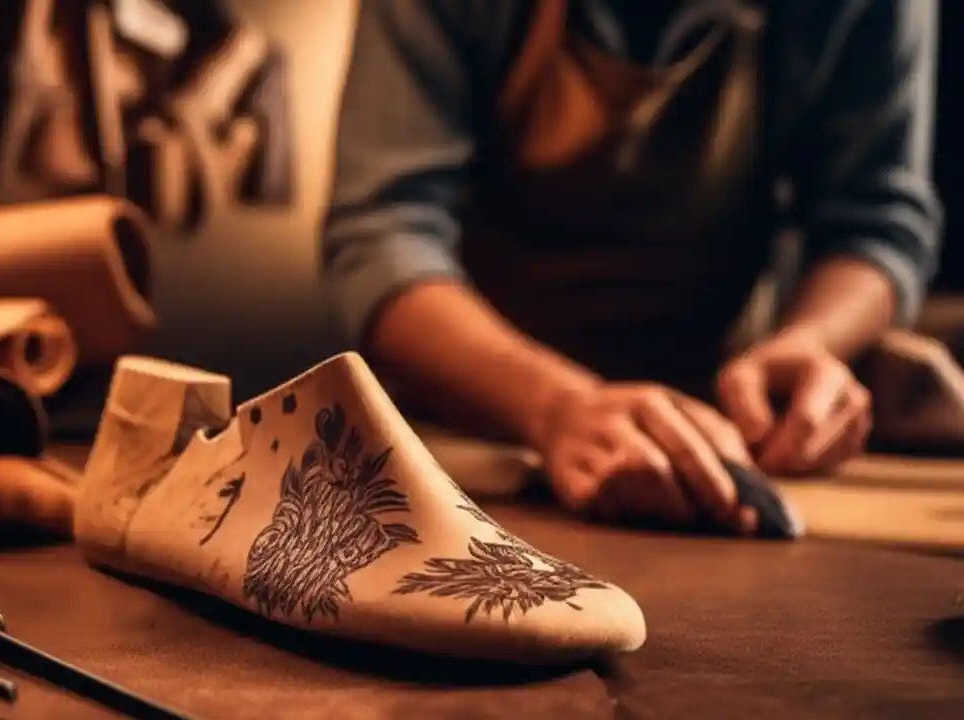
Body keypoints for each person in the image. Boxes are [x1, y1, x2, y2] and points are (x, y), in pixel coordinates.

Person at [321, 0, 941, 533]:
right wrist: (555, 407)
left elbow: (878, 223)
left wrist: (811, 341)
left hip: (726, 440)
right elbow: (383, 234)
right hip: (478, 429)